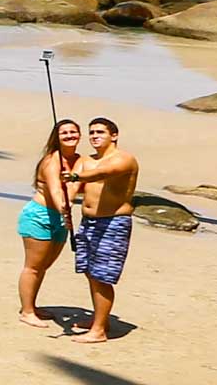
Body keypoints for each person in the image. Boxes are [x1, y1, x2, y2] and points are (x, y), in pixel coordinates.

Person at [64, 117, 140, 342]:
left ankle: (98, 331)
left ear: (113, 135)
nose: (94, 136)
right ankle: (101, 319)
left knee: (102, 276)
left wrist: (76, 176)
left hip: (113, 222)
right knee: (89, 272)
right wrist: (66, 203)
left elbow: (102, 173)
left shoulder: (124, 159)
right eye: (92, 133)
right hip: (88, 222)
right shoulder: (87, 160)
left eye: (100, 132)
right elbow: (74, 184)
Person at [16, 119, 81, 328]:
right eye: (64, 133)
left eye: (73, 132)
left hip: (61, 218)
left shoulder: (80, 161)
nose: (70, 136)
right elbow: (55, 191)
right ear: (57, 137)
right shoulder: (52, 161)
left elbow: (75, 189)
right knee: (33, 267)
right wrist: (65, 205)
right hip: (39, 215)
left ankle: (32, 305)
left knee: (44, 266)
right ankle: (26, 311)